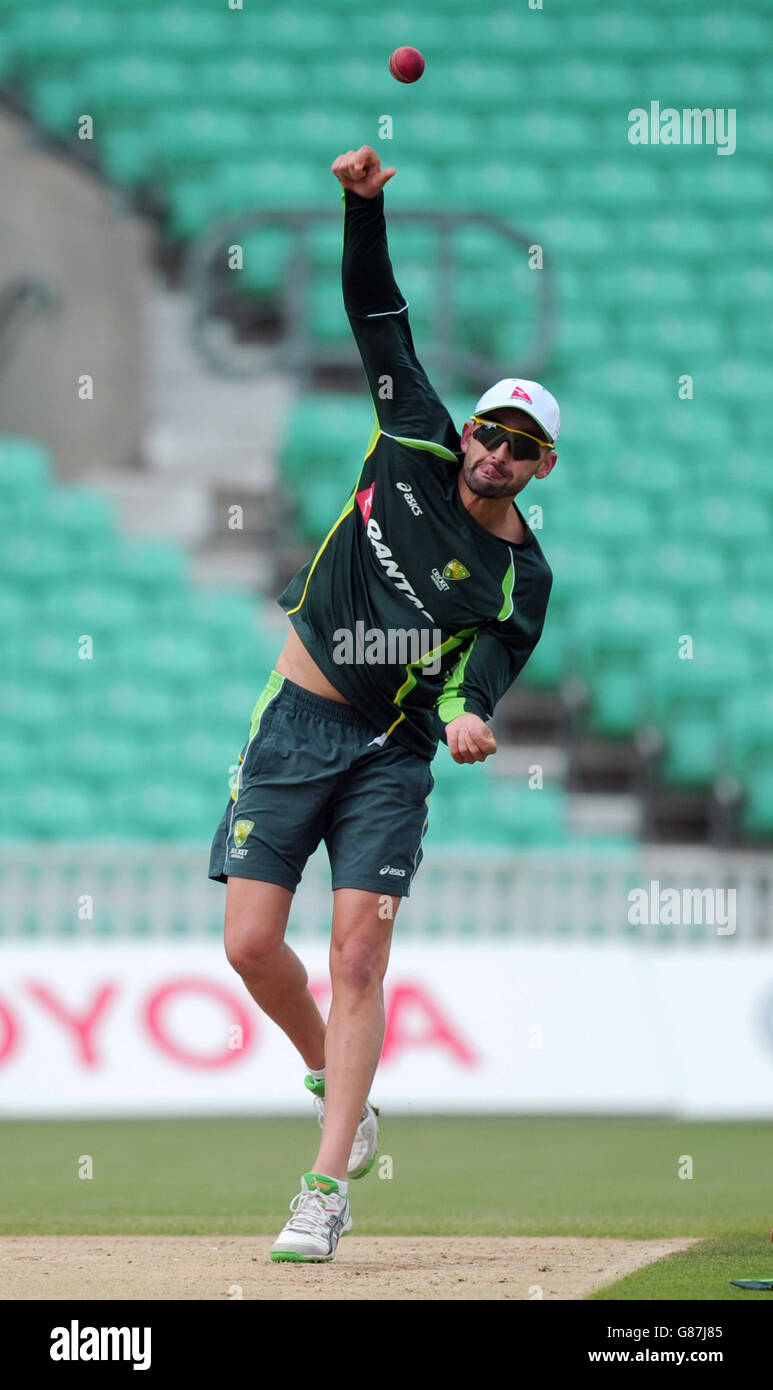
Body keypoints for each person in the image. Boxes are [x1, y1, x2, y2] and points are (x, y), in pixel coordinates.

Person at [208, 144, 559, 1262]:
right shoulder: (411, 433)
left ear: (539, 469)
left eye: (521, 447)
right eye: (491, 430)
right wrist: (357, 207)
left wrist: (466, 715)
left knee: (357, 955)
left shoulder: (519, 579)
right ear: (469, 431)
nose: (495, 450)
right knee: (252, 947)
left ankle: (322, 1184)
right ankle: (340, 1091)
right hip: (295, 718)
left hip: (391, 753)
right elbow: (377, 313)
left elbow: (481, 674)